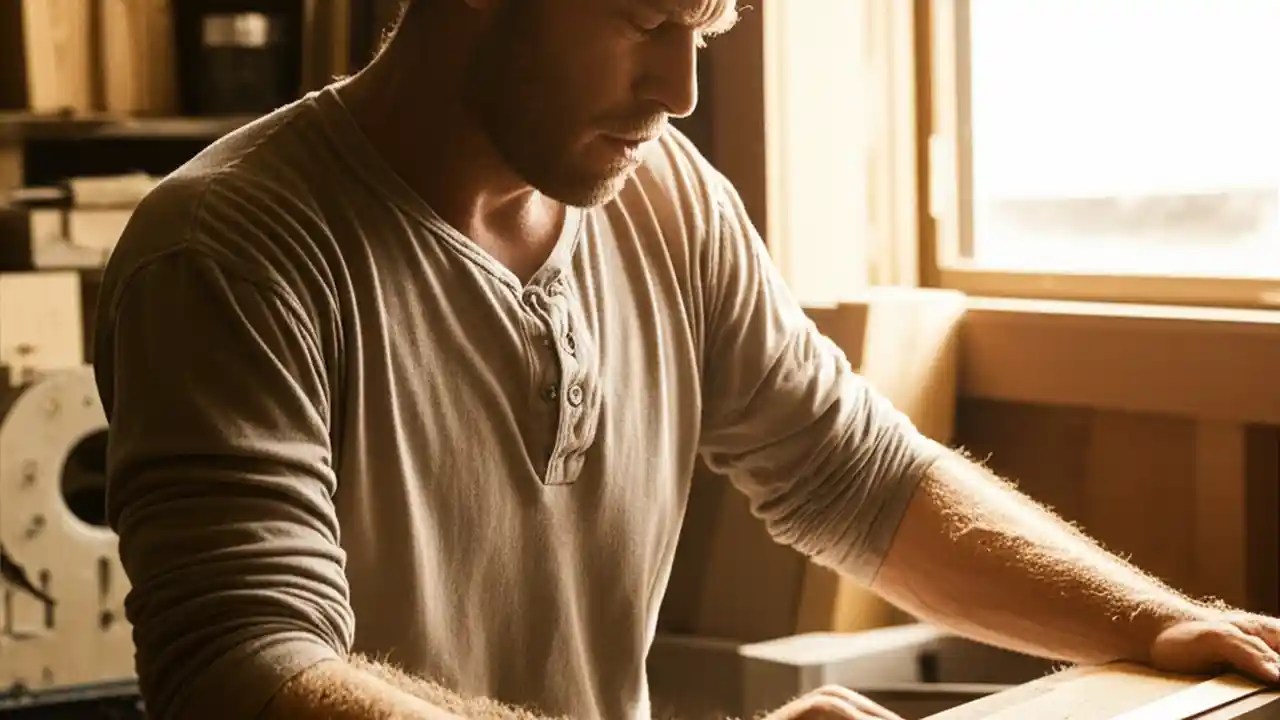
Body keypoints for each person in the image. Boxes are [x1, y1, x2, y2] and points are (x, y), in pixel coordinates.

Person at [93, 0, 1280, 718]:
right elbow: (243, 677)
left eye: (706, 25)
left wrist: (1152, 622)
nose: (678, 90)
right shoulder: (228, 253)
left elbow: (855, 475)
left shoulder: (665, 200)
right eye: (642, 21)